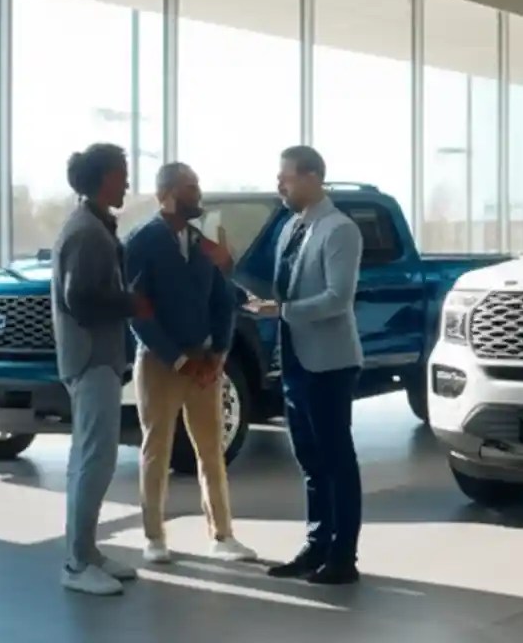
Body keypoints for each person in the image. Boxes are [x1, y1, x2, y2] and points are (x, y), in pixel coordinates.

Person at [124, 162, 257, 565]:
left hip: (206, 363)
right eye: (190, 186)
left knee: (211, 448)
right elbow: (139, 313)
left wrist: (218, 352)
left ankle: (222, 535)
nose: (198, 193)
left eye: (197, 185)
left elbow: (222, 299)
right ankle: (154, 538)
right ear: (167, 193)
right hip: (161, 364)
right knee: (156, 449)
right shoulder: (140, 243)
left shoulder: (202, 244)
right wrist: (179, 360)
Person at [52, 143, 153, 596]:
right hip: (91, 358)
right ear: (105, 177)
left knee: (88, 457)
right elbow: (82, 299)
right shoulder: (87, 234)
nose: (128, 183)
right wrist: (133, 302)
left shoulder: (94, 226)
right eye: (123, 173)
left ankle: (88, 552)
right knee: (95, 459)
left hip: (97, 358)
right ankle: (76, 563)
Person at [266, 145, 365, 586]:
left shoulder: (339, 229)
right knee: (309, 458)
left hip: (328, 364)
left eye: (285, 176)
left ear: (312, 177)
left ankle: (344, 556)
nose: (279, 184)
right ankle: (317, 544)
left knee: (336, 458)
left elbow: (337, 298)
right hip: (293, 359)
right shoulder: (291, 227)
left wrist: (281, 312)